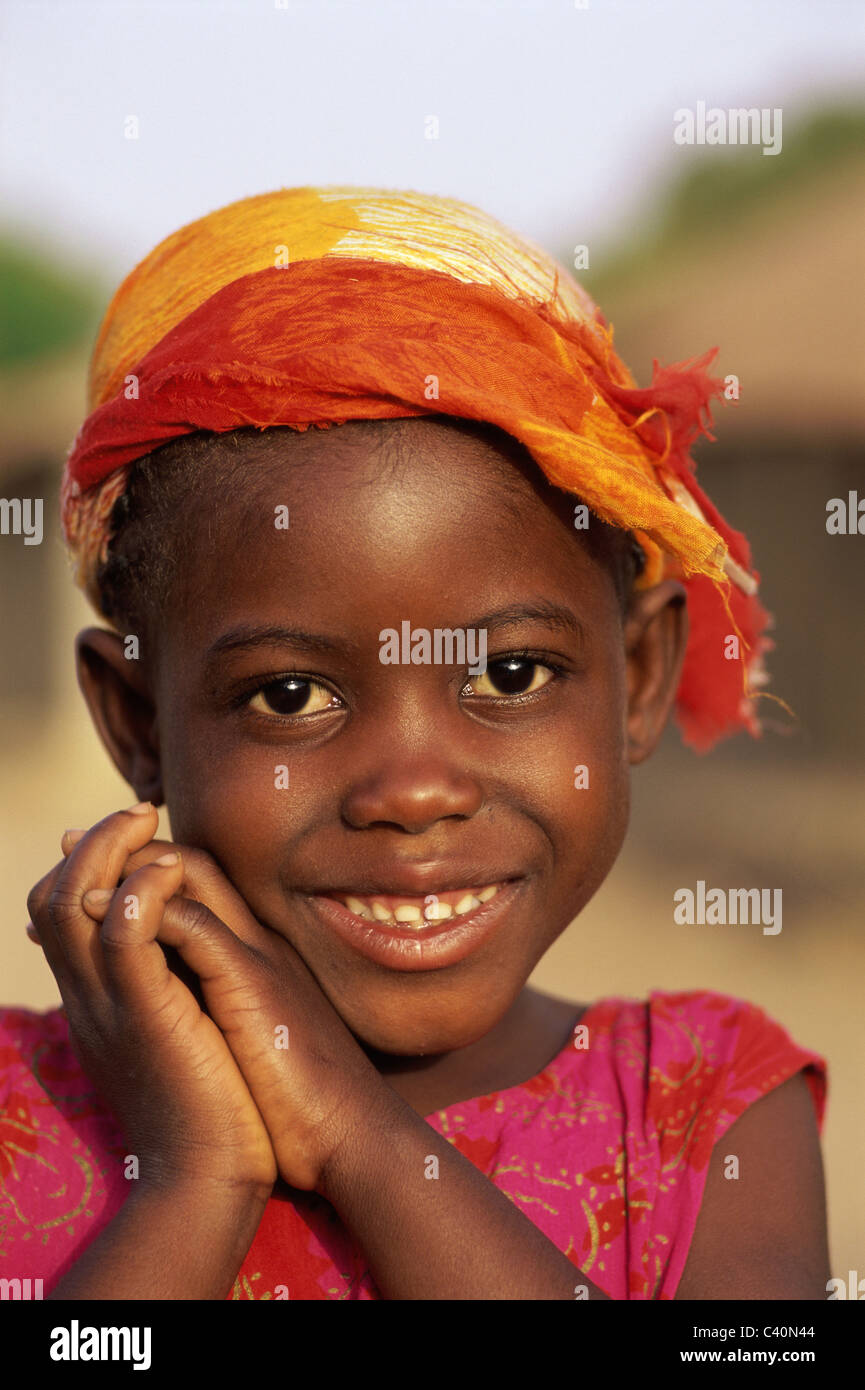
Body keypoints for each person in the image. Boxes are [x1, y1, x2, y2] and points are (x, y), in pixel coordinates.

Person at [1, 187, 828, 1300]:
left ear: (635, 679)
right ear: (137, 720)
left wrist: (362, 1138)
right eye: (289, 694)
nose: (414, 789)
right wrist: (193, 1181)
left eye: (510, 674)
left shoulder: (706, 1109)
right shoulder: (24, 1112)